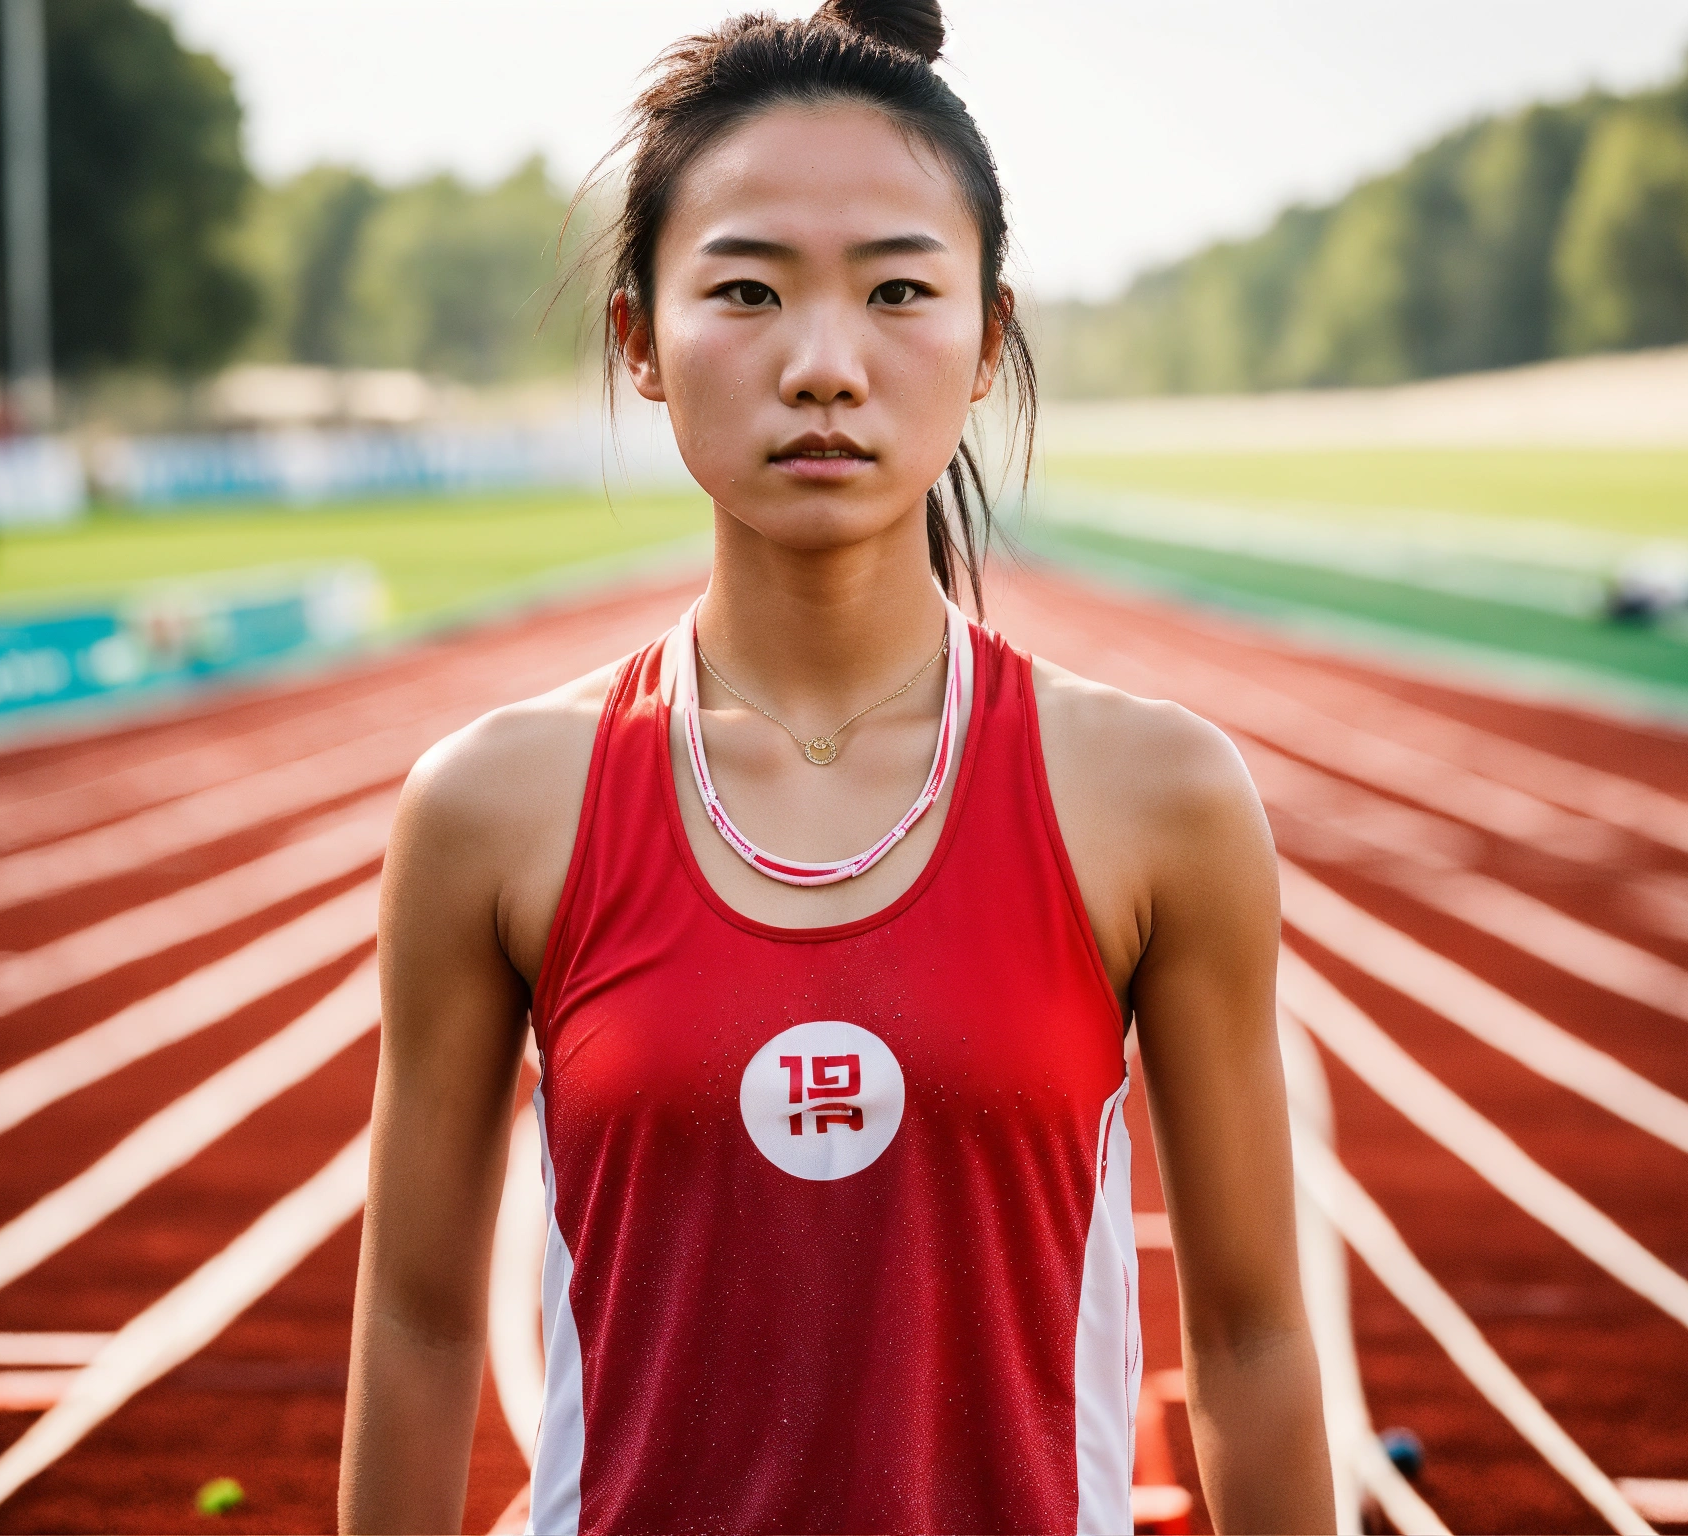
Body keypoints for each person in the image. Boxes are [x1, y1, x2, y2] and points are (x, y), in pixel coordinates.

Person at [342, 5, 1331, 1532]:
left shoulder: (1154, 801)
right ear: (640, 341)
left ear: (988, 337)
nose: (822, 365)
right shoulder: (493, 809)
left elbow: (1258, 1339)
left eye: (897, 292)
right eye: (744, 290)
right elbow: (414, 1324)